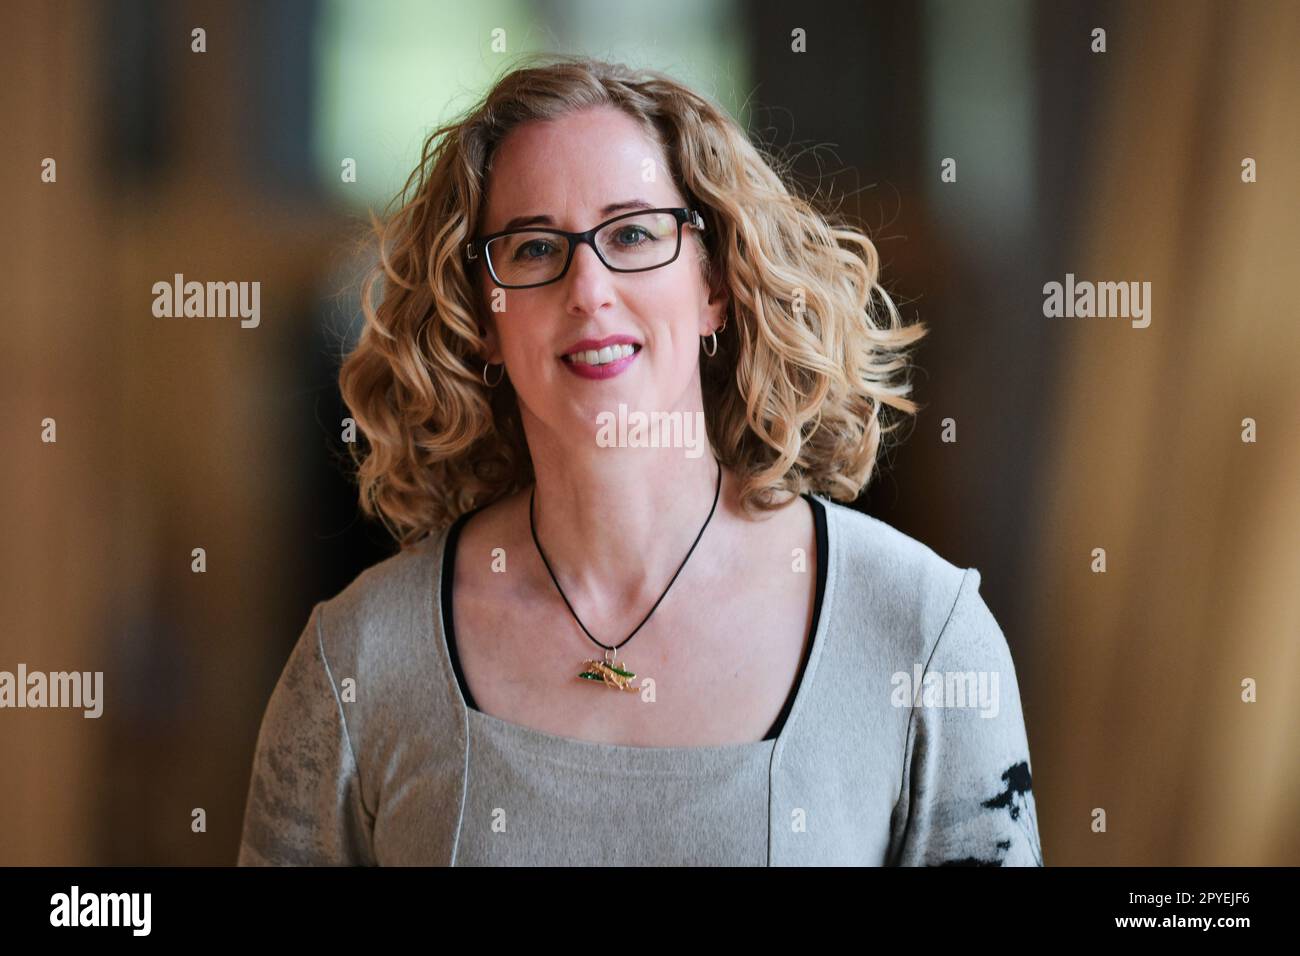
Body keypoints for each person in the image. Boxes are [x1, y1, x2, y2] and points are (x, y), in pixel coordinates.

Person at [237, 55, 1043, 866]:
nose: (588, 290)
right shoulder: (359, 660)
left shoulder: (923, 638)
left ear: (714, 284)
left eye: (632, 234)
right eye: (532, 248)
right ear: (483, 313)